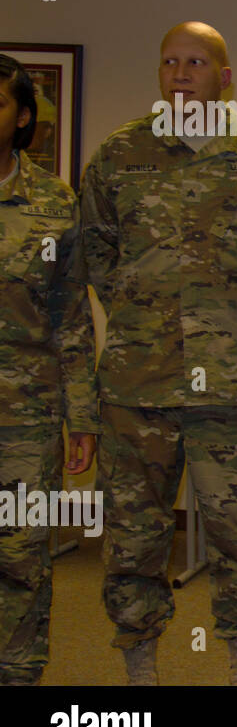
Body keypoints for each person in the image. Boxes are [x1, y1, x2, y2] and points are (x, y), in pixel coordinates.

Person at [78, 22, 237, 685]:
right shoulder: (118, 154)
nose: (180, 73)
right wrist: (140, 313)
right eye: (170, 62)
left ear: (225, 76)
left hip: (232, 390)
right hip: (137, 384)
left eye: (196, 62)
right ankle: (140, 671)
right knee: (132, 538)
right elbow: (96, 250)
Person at [0, 54, 98, 686]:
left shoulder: (54, 202)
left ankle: (17, 673)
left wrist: (81, 415)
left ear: (21, 117)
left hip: (26, 417)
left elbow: (71, 317)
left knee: (21, 557)